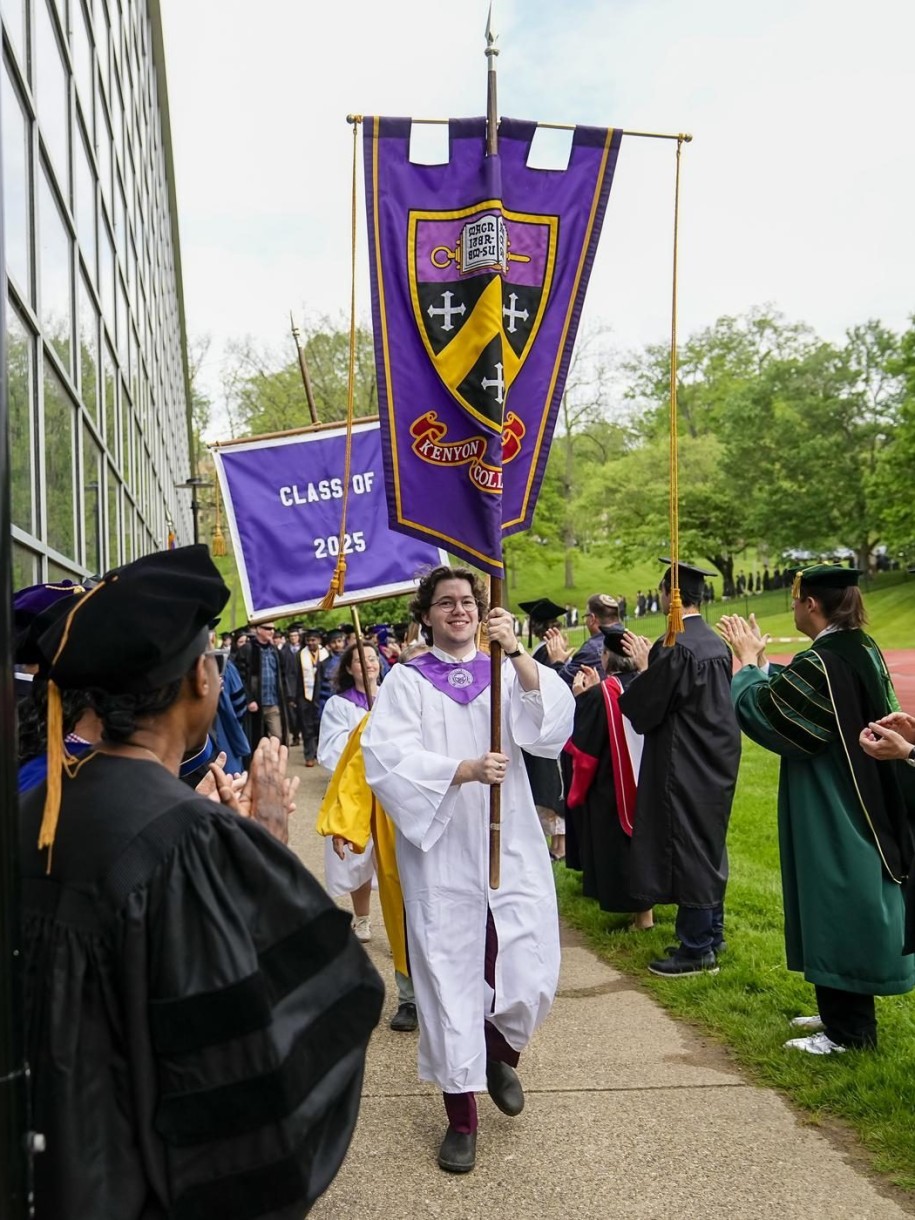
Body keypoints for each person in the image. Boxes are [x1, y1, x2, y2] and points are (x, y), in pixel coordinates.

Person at [21, 544, 384, 1218]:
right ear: (200, 681)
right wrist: (263, 845)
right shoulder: (191, 843)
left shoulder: (32, 809)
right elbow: (256, 1050)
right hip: (127, 1185)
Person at [361, 566, 575, 1175]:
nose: (458, 610)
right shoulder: (406, 680)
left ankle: (498, 1050)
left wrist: (520, 654)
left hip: (510, 841)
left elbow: (548, 730)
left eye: (467, 602)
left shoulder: (505, 670)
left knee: (531, 964)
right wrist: (464, 770)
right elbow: (386, 758)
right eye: (445, 602)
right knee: (449, 975)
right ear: (426, 614)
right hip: (443, 845)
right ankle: (461, 1120)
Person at [720, 564, 915, 1053]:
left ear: (810, 604)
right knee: (837, 899)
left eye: (795, 600)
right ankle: (838, 1013)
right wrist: (764, 669)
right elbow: (802, 695)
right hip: (866, 784)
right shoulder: (859, 646)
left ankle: (849, 1033)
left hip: (837, 797)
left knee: (836, 899)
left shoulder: (823, 662)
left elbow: (771, 718)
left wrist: (745, 667)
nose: (792, 607)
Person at [618, 559, 741, 976]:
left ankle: (695, 948)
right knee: (707, 843)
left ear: (667, 596)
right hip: (716, 757)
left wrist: (640, 671)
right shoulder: (714, 644)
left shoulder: (676, 647)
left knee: (688, 848)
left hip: (683, 760)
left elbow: (647, 707)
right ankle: (713, 933)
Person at [316, 639, 420, 1033]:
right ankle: (409, 996)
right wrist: (345, 821)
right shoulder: (371, 715)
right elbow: (357, 764)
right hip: (393, 816)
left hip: (448, 820)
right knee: (399, 904)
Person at [564, 626, 652, 929]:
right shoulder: (650, 684)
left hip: (612, 788)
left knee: (622, 847)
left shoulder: (602, 694)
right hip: (651, 783)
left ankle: (640, 917)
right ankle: (647, 914)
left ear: (606, 658)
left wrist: (580, 699)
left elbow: (583, 748)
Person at [317, 642, 381, 944]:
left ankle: (403, 929)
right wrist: (364, 735)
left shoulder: (396, 695)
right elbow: (330, 750)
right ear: (348, 668)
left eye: (372, 658)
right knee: (359, 857)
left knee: (397, 860)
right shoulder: (339, 705)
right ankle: (363, 918)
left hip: (390, 788)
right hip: (357, 789)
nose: (368, 664)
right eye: (360, 660)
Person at [518, 597, 568, 859]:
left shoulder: (547, 651)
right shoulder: (540, 650)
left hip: (548, 727)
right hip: (541, 727)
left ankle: (560, 846)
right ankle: (556, 844)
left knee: (552, 782)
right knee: (548, 782)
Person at [544, 592, 621, 686]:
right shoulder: (632, 640)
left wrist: (557, 662)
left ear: (592, 618)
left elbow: (561, 685)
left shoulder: (591, 649)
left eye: (586, 617)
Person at [233, 620, 289, 746]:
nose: (272, 632)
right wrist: (249, 699)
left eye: (273, 629)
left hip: (273, 702)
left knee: (277, 737)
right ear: (258, 629)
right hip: (255, 704)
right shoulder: (247, 650)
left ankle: (274, 763)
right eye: (268, 628)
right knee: (256, 741)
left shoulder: (275, 651)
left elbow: (282, 676)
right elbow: (240, 678)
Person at [298, 627, 329, 766]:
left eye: (313, 640)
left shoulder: (326, 655)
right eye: (308, 640)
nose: (310, 642)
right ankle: (309, 755)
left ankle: (319, 753)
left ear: (319, 640)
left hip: (322, 695)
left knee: (320, 726)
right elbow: (294, 675)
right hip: (305, 696)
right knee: (307, 727)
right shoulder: (300, 655)